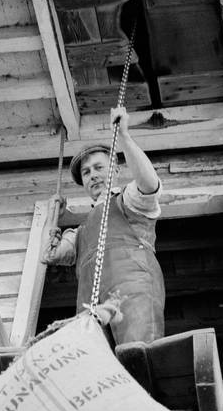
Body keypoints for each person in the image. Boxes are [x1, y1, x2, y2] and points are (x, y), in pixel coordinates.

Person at [43, 107, 165, 346]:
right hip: (91, 305)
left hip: (132, 289)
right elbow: (50, 254)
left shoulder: (128, 200)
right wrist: (52, 218)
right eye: (86, 173)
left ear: (116, 170)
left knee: (137, 350)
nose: (92, 175)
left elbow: (149, 184)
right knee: (99, 367)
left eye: (99, 168)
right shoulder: (80, 232)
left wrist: (124, 138)